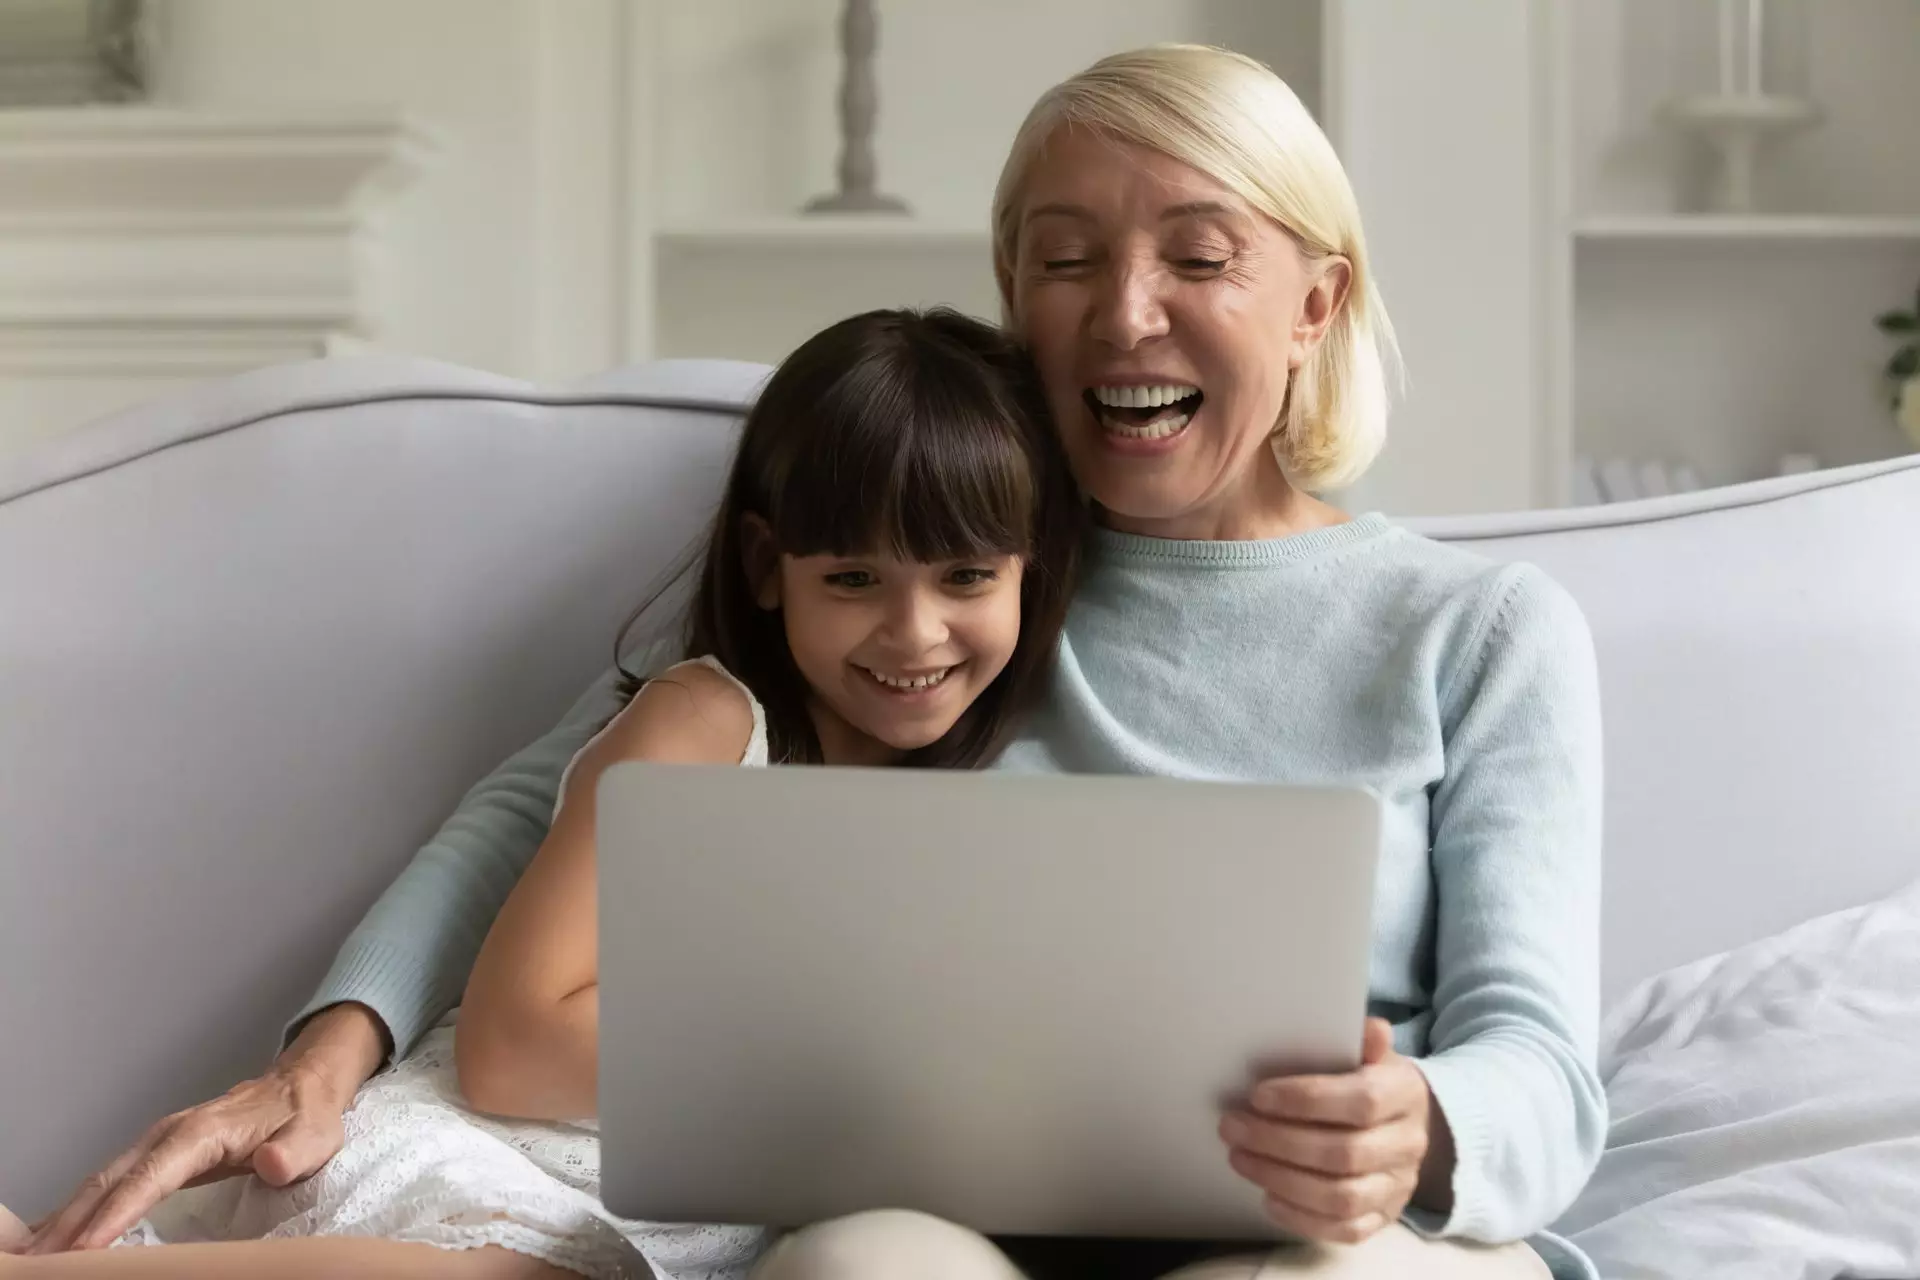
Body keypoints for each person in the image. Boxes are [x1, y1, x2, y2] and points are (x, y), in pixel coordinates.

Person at [13, 42, 1607, 1280]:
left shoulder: (1476, 632)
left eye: (1200, 258)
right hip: (938, 1217)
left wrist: (1426, 1132)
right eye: (1067, 261)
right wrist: (328, 1053)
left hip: (1322, 1226)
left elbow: (1546, 1061)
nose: (1127, 314)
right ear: (1014, 297)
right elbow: (548, 804)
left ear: (1317, 300)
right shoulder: (931, 554)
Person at [0, 307, 1084, 1280]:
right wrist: (838, 1063)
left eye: (966, 576)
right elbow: (510, 1044)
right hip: (492, 1164)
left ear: (1029, 570)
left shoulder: (958, 811)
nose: (914, 631)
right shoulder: (708, 723)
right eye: (853, 578)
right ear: (767, 568)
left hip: (660, 1235)